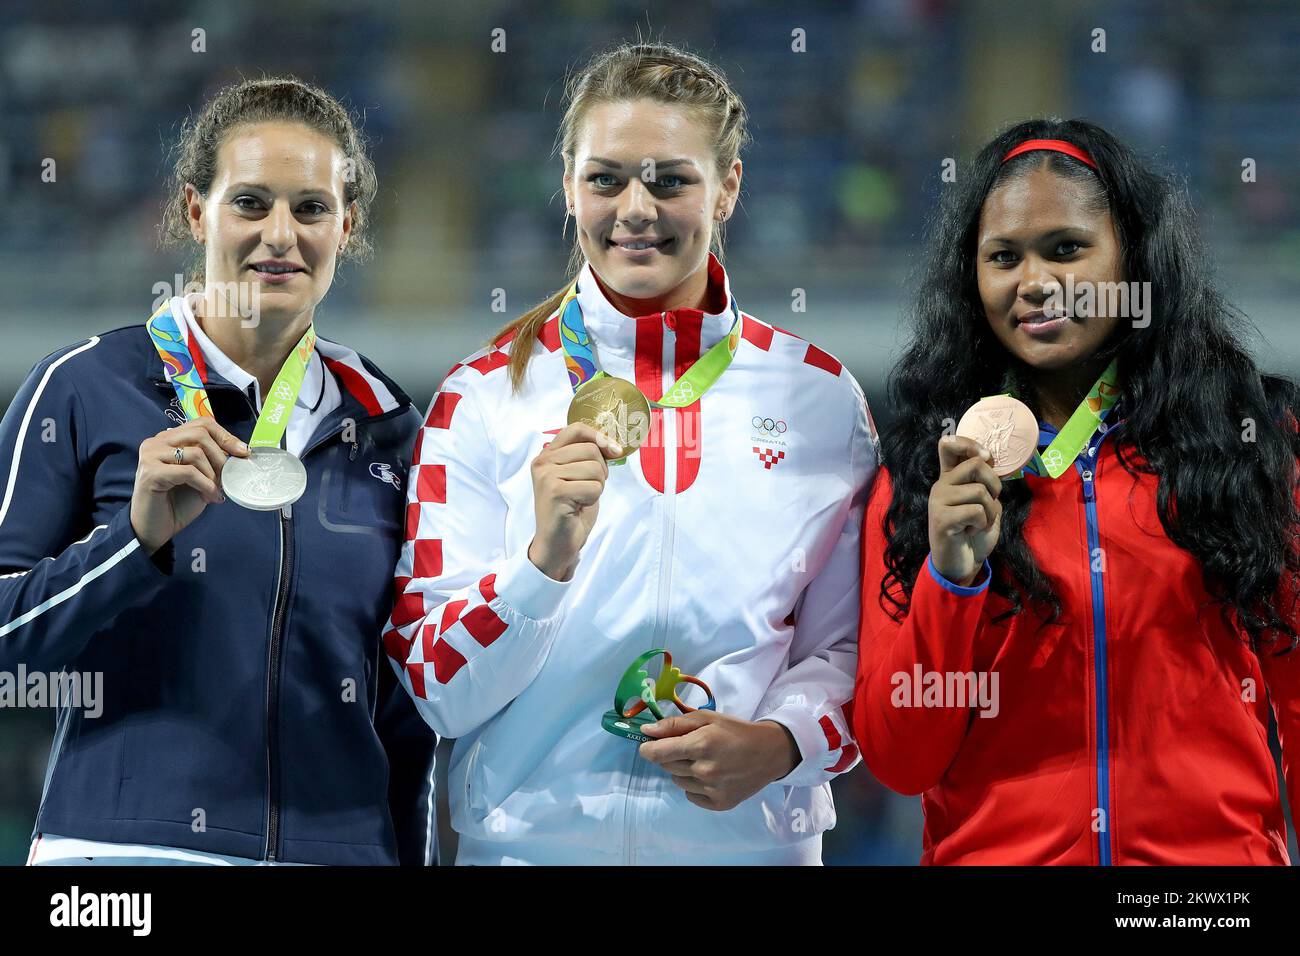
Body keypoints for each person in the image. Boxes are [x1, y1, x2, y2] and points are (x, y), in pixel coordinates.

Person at [382, 42, 877, 865]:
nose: (636, 208)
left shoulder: (819, 399)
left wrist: (781, 742)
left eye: (670, 179)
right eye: (606, 178)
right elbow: (437, 687)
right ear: (570, 185)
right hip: (528, 851)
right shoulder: (481, 396)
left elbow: (858, 650)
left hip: (747, 850)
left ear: (728, 189)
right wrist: (542, 566)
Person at [3, 76, 436, 865]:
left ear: (349, 226)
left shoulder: (392, 430)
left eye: (310, 208)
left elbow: (404, 709)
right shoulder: (86, 387)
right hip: (126, 856)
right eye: (250, 202)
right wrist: (132, 545)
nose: (281, 234)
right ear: (197, 210)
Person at [854, 118, 1300, 864]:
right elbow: (901, 760)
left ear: (1132, 260)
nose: (1035, 284)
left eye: (1066, 249)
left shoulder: (1243, 442)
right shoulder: (926, 470)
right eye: (1004, 257)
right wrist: (949, 577)